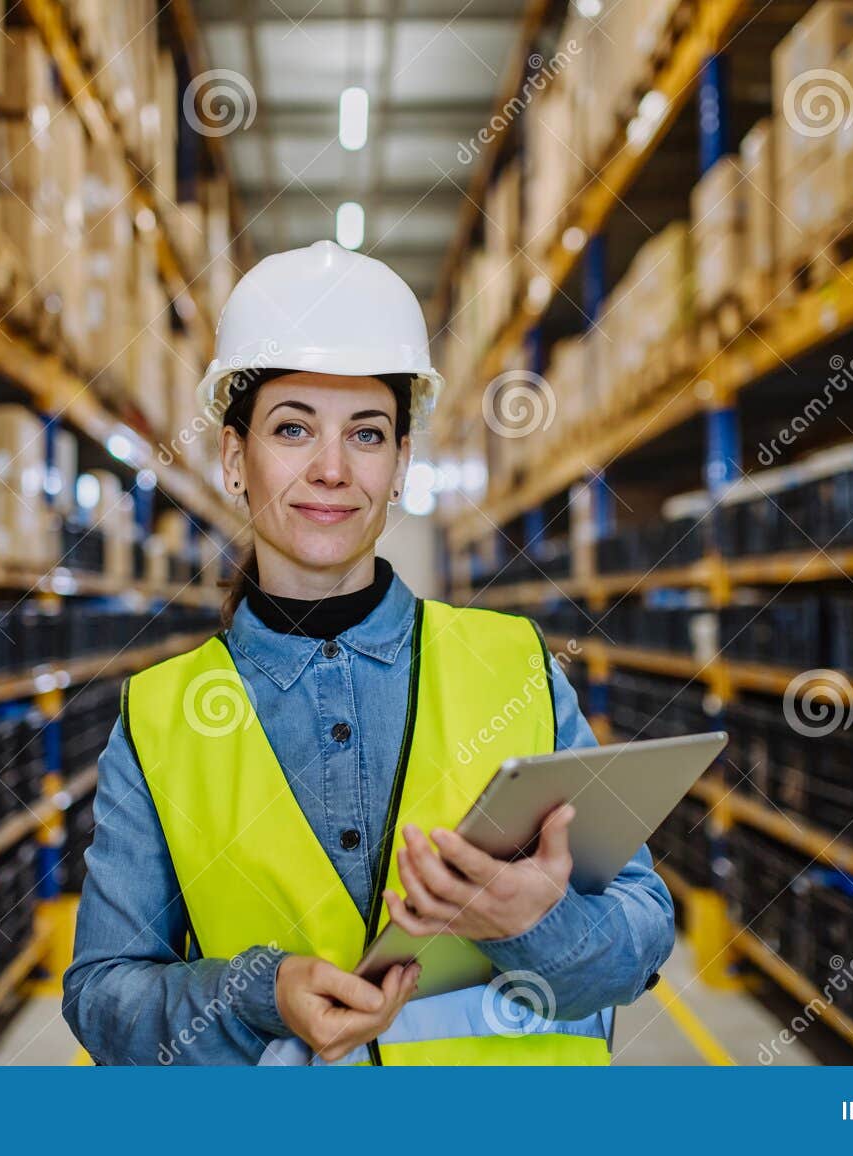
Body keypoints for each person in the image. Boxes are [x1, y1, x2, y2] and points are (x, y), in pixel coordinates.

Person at [62, 240, 674, 1065]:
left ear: (401, 464)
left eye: (367, 433)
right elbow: (102, 996)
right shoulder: (160, 718)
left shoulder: (515, 664)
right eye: (292, 429)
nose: (330, 469)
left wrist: (540, 925)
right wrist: (257, 995)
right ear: (234, 459)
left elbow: (643, 929)